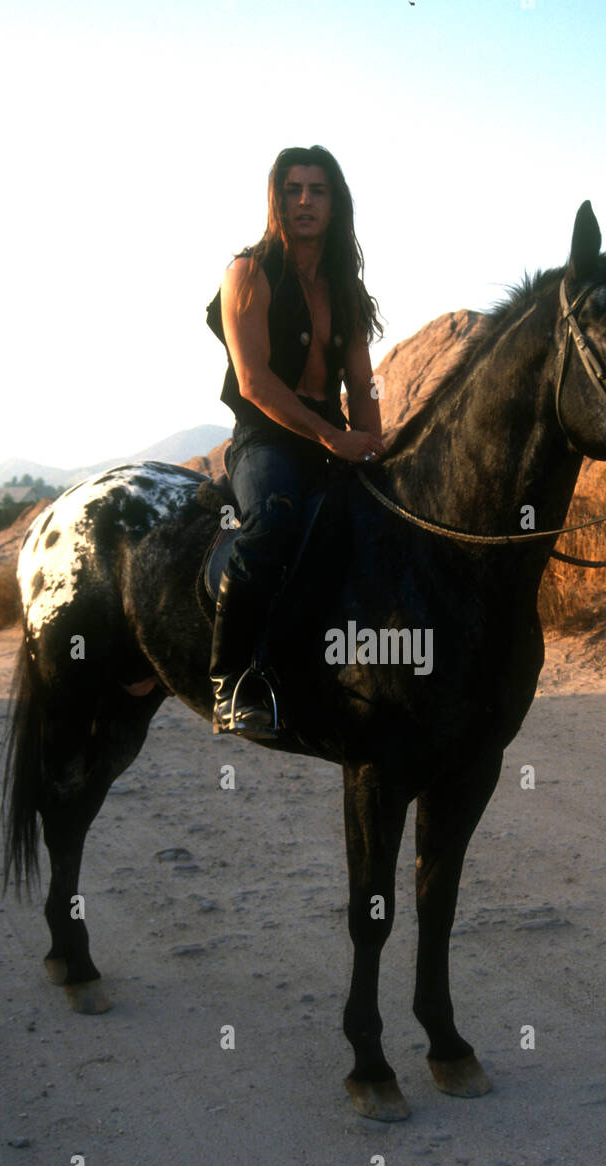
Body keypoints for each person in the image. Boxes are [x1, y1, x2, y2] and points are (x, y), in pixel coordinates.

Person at [206, 144, 384, 738]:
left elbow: (362, 384)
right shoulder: (248, 272)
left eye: (318, 190)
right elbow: (254, 381)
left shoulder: (345, 290)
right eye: (293, 189)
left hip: (329, 436)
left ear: (336, 205)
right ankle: (231, 682)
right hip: (264, 436)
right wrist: (334, 436)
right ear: (277, 198)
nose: (305, 201)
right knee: (275, 520)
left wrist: (372, 445)